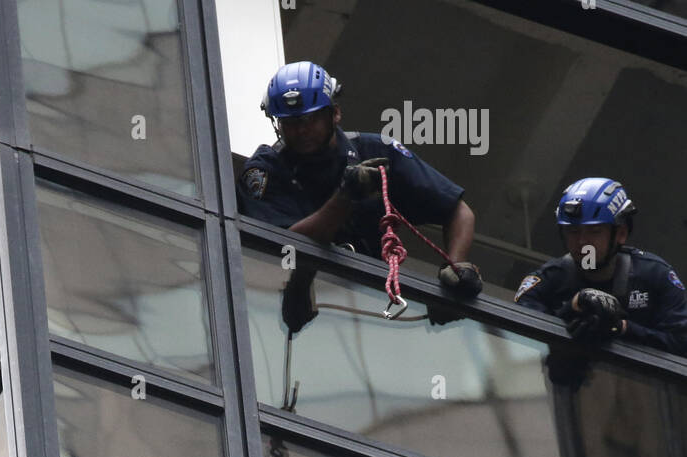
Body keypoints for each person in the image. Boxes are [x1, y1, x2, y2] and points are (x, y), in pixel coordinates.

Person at [238, 61, 481, 330]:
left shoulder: (377, 152)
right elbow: (281, 250)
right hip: (294, 317)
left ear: (336, 113)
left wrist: (456, 269)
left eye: (310, 119)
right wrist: (345, 197)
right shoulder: (266, 170)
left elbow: (458, 211)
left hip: (376, 309)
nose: (301, 130)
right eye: (290, 123)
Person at [514, 177, 687, 355]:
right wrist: (572, 308)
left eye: (594, 232)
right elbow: (518, 331)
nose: (582, 242)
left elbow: (682, 343)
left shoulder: (655, 275)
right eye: (573, 232)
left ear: (621, 234)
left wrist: (622, 327)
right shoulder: (547, 280)